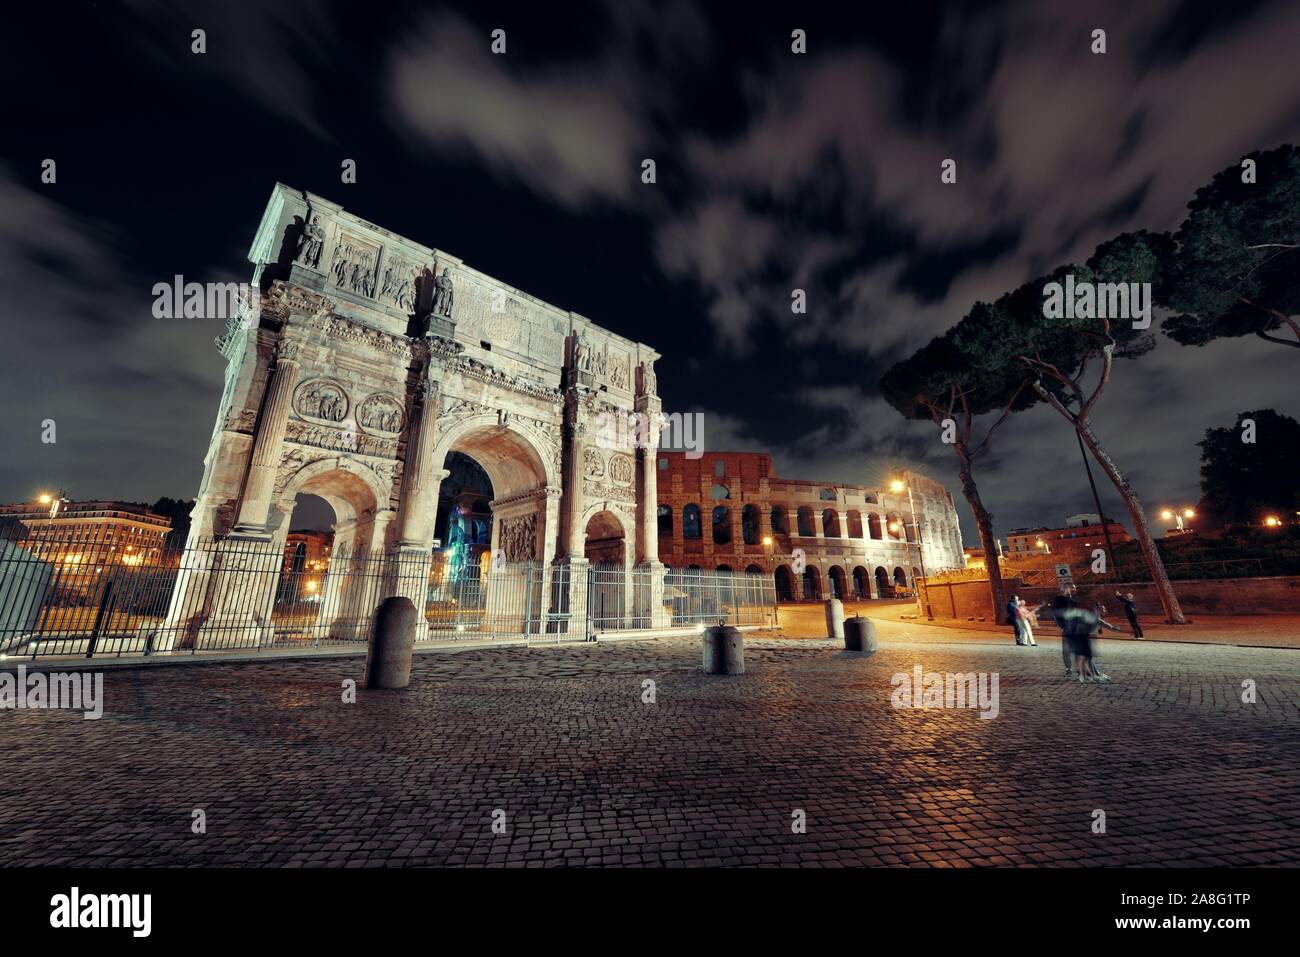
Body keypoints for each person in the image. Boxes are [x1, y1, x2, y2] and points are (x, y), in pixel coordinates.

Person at [1049, 585, 1078, 675]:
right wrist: (1063, 625)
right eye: (1072, 588)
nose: (1075, 589)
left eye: (1075, 588)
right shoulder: (1059, 600)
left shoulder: (1073, 600)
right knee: (1066, 650)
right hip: (1067, 629)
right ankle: (1068, 668)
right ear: (1066, 589)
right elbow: (1056, 613)